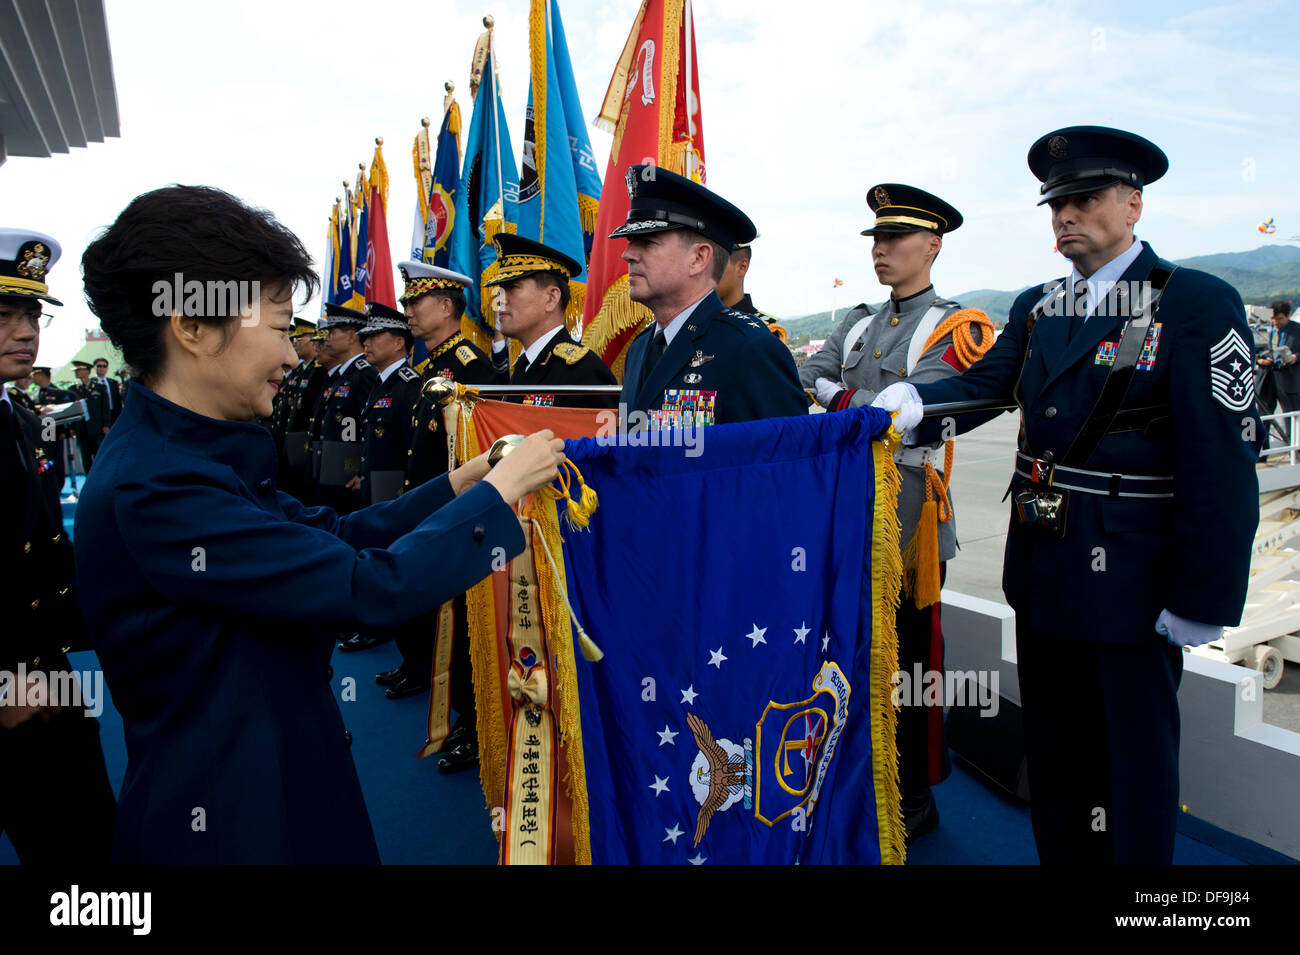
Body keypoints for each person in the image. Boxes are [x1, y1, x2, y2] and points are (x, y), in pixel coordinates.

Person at [74, 185, 565, 863]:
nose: (290, 354)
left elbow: (334, 533)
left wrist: (463, 480)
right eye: (278, 328)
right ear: (192, 326)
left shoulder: (192, 454)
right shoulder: (159, 484)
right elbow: (367, 586)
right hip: (237, 825)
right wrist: (500, 496)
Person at [874, 126, 1261, 864]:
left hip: (1136, 579)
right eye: (1056, 203)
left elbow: (1220, 462)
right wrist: (916, 403)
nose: (1065, 215)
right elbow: (986, 384)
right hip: (1047, 566)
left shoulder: (1196, 303)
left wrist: (1203, 597)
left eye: (1084, 199)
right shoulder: (1037, 304)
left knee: (1132, 765)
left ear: (1134, 204)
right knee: (1058, 758)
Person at [800, 183, 989, 839]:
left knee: (910, 659)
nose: (881, 250)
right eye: (877, 239)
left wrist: (844, 400)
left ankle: (912, 792)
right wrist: (864, 404)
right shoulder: (856, 319)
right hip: (846, 504)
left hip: (909, 517)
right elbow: (815, 378)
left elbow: (923, 410)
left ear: (932, 245)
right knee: (849, 648)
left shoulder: (956, 326)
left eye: (896, 238)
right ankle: (855, 774)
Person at [0, 227, 116, 863]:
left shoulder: (15, 415)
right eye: (4, 316)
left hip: (43, 668)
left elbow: (39, 551)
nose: (26, 332)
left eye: (31, 315)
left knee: (89, 836)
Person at [385, 263, 496, 767]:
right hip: (434, 508)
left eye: (416, 303)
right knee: (442, 620)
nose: (407, 311)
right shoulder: (431, 365)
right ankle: (460, 714)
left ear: (447, 307)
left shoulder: (468, 365)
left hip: (459, 514)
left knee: (467, 625)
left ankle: (477, 725)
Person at [615, 165, 807, 426]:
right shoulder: (639, 348)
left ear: (698, 258)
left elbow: (785, 460)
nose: (628, 254)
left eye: (647, 242)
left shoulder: (749, 348)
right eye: (629, 242)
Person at [485, 233, 620, 409]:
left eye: (512, 288)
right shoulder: (524, 366)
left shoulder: (584, 372)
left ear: (551, 298)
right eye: (501, 291)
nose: (500, 301)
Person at [311, 303, 378, 516]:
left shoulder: (364, 374)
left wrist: (361, 471)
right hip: (331, 470)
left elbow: (369, 424)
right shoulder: (343, 374)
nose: (327, 338)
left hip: (347, 477)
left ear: (351, 336)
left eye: (332, 332)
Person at [353, 302, 421, 507]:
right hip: (373, 492)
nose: (366, 343)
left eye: (374, 337)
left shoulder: (409, 386)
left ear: (398, 342)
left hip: (394, 498)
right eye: (365, 337)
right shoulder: (379, 382)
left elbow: (412, 449)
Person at [715, 242, 787, 343]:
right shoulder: (696, 320)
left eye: (717, 265)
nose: (705, 272)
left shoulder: (763, 331)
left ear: (742, 267)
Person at [69, 359, 109, 469]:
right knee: (85, 459)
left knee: (99, 456)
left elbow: (105, 407)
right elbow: (72, 410)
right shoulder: (73, 390)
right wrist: (72, 428)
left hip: (97, 428)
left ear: (87, 371)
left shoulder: (99, 387)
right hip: (81, 429)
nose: (76, 372)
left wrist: (106, 424)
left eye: (79, 370)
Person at [92, 356, 123, 425]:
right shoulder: (91, 384)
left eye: (104, 366)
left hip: (114, 414)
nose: (102, 368)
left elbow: (118, 401)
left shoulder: (113, 382)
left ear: (107, 368)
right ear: (94, 367)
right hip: (100, 417)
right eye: (99, 366)